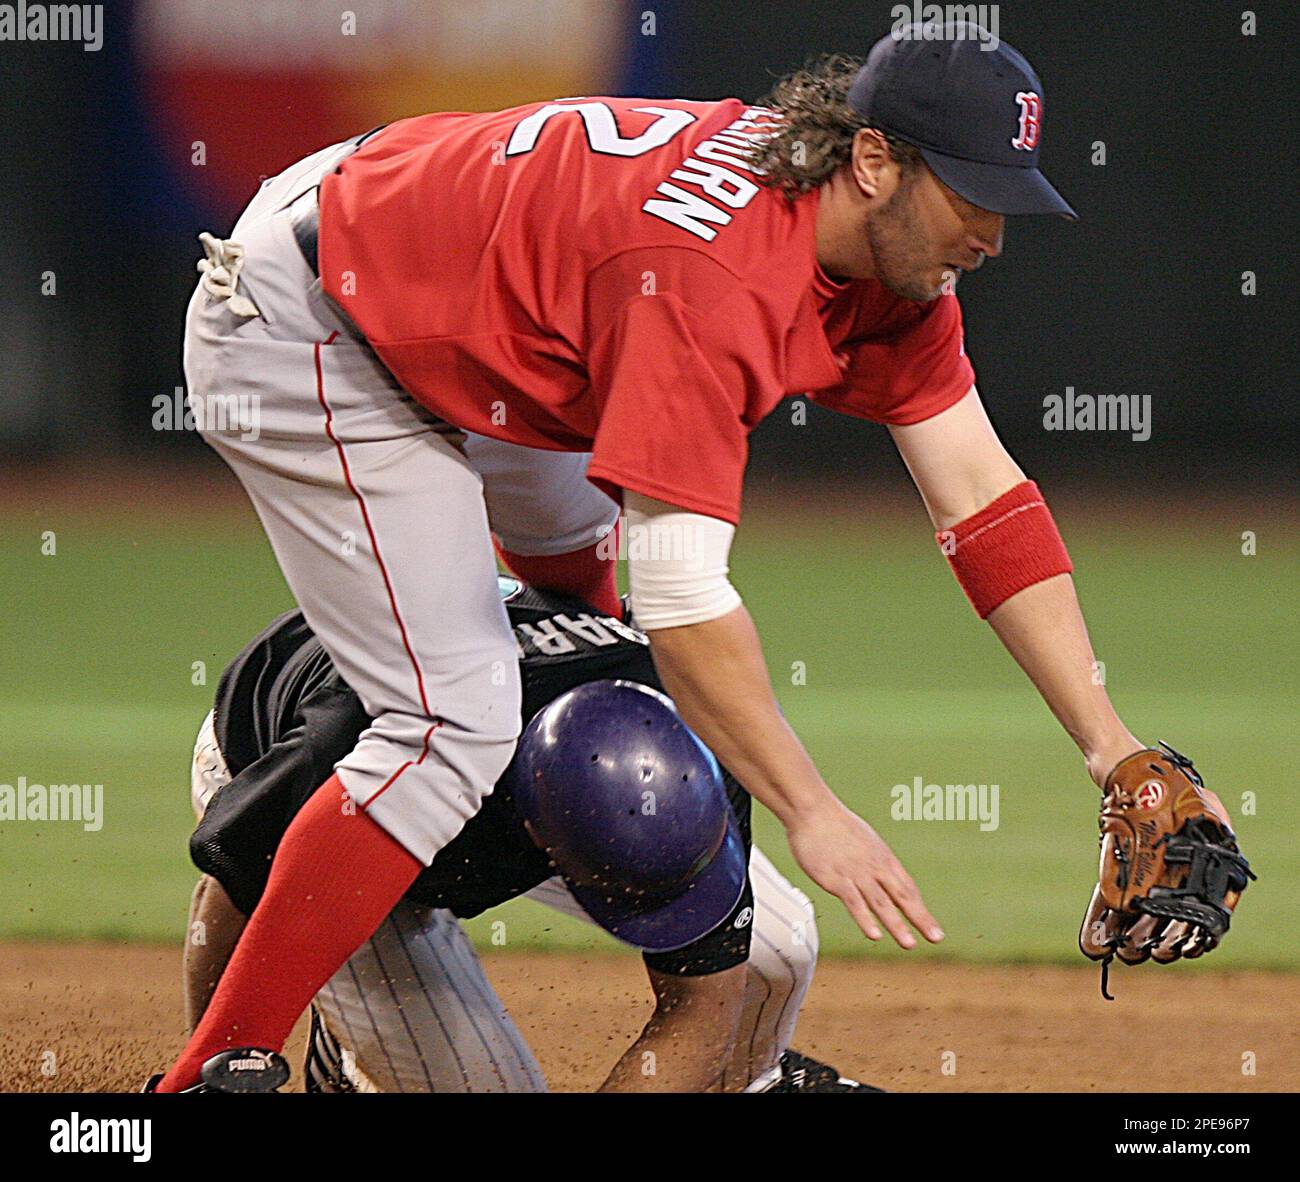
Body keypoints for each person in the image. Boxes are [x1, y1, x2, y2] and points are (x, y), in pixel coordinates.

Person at [158, 23, 1207, 1090]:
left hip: (468, 289)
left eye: (1009, 196)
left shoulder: (890, 274)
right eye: (971, 192)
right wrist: (811, 814)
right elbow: (683, 596)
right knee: (452, 721)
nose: (990, 232)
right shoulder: (712, 283)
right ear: (874, 161)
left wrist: (1112, 749)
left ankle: (468, 851)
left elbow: (985, 502)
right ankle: (216, 1066)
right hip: (308, 314)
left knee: (575, 589)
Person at [169, 578, 875, 1093]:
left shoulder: (699, 728)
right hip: (302, 772)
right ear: (540, 838)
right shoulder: (378, 750)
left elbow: (705, 1001)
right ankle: (347, 1063)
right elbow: (234, 891)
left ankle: (746, 1086)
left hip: (535, 774)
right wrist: (217, 1061)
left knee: (772, 954)